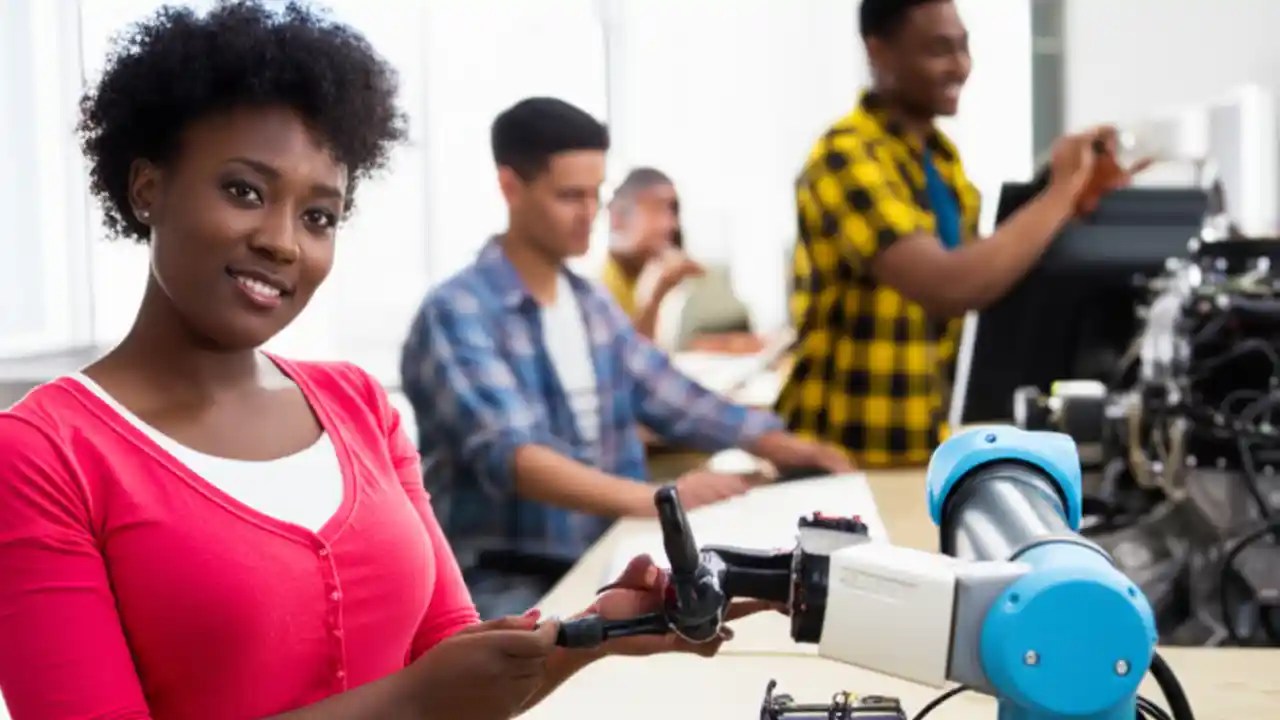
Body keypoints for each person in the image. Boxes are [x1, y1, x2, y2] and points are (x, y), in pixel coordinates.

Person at [0, 4, 771, 719]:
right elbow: (424, 695)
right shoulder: (42, 454)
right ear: (147, 187)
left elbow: (456, 672)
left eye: (318, 215)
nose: (283, 240)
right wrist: (407, 702)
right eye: (243, 190)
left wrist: (592, 633)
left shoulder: (355, 404)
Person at [400, 97, 852, 619]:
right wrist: (656, 498)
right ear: (510, 187)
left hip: (611, 554)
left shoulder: (590, 305)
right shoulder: (456, 313)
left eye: (596, 195)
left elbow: (670, 395)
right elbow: (513, 457)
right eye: (569, 196)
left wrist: (784, 445)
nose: (589, 215)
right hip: (512, 576)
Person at [777, 0, 1138, 468]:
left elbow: (987, 277)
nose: (960, 66)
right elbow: (948, 286)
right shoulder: (845, 156)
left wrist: (1072, 197)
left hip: (923, 449)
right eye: (938, 50)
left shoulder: (942, 161)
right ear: (879, 53)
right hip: (846, 456)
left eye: (964, 47)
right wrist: (1062, 189)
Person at [600, 167, 703, 339]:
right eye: (656, 210)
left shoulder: (650, 275)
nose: (669, 225)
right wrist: (651, 301)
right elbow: (631, 361)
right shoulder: (597, 286)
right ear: (617, 216)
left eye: (672, 211)